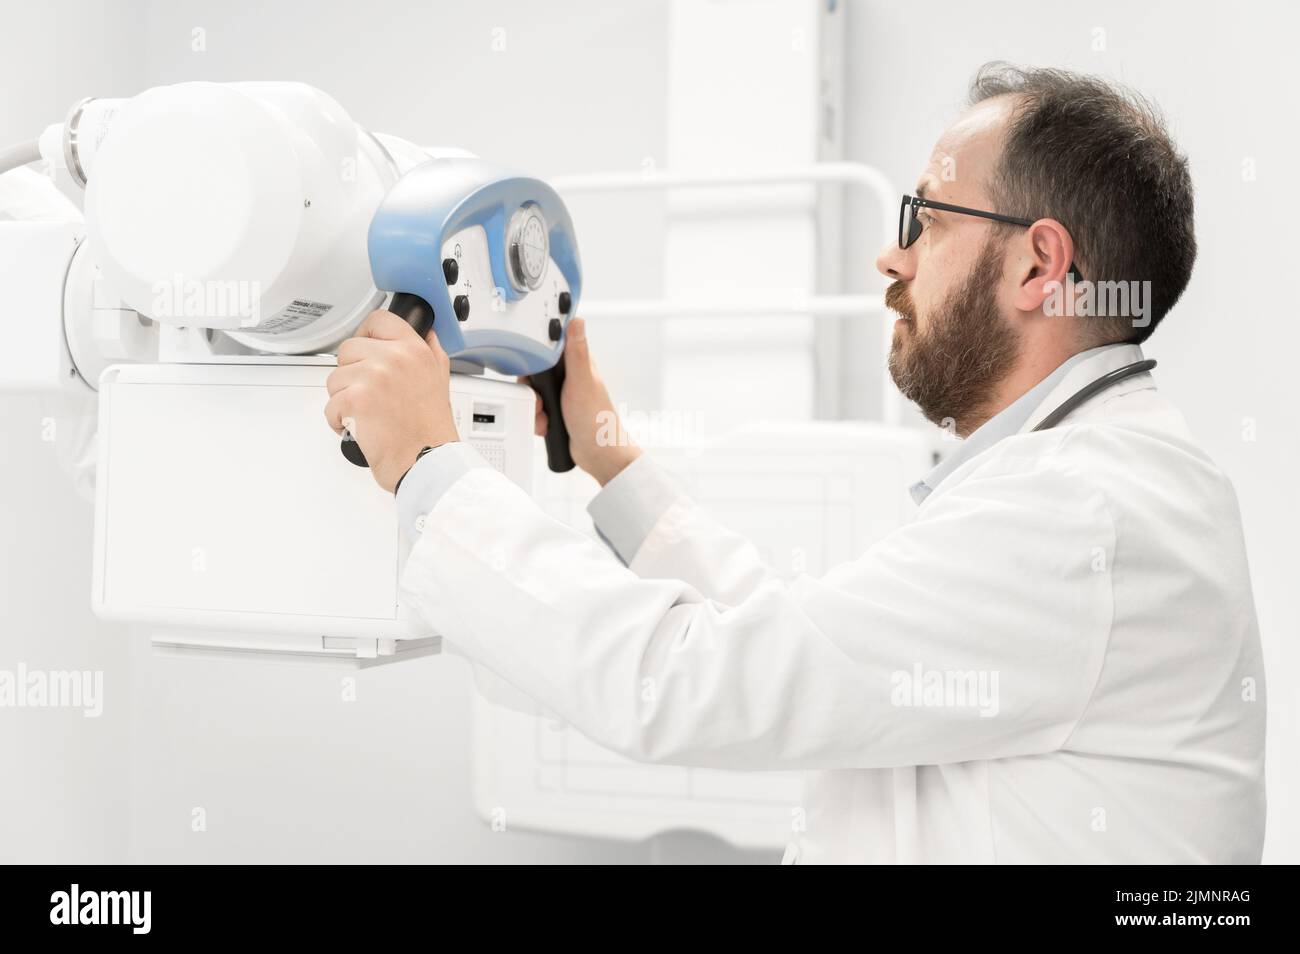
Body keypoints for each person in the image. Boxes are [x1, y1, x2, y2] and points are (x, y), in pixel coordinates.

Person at [323, 63, 1265, 864]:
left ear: (1038, 266)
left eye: (926, 220)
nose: (891, 257)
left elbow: (692, 681)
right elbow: (804, 647)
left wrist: (430, 469)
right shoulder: (1090, 478)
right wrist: (612, 458)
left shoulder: (1079, 508)